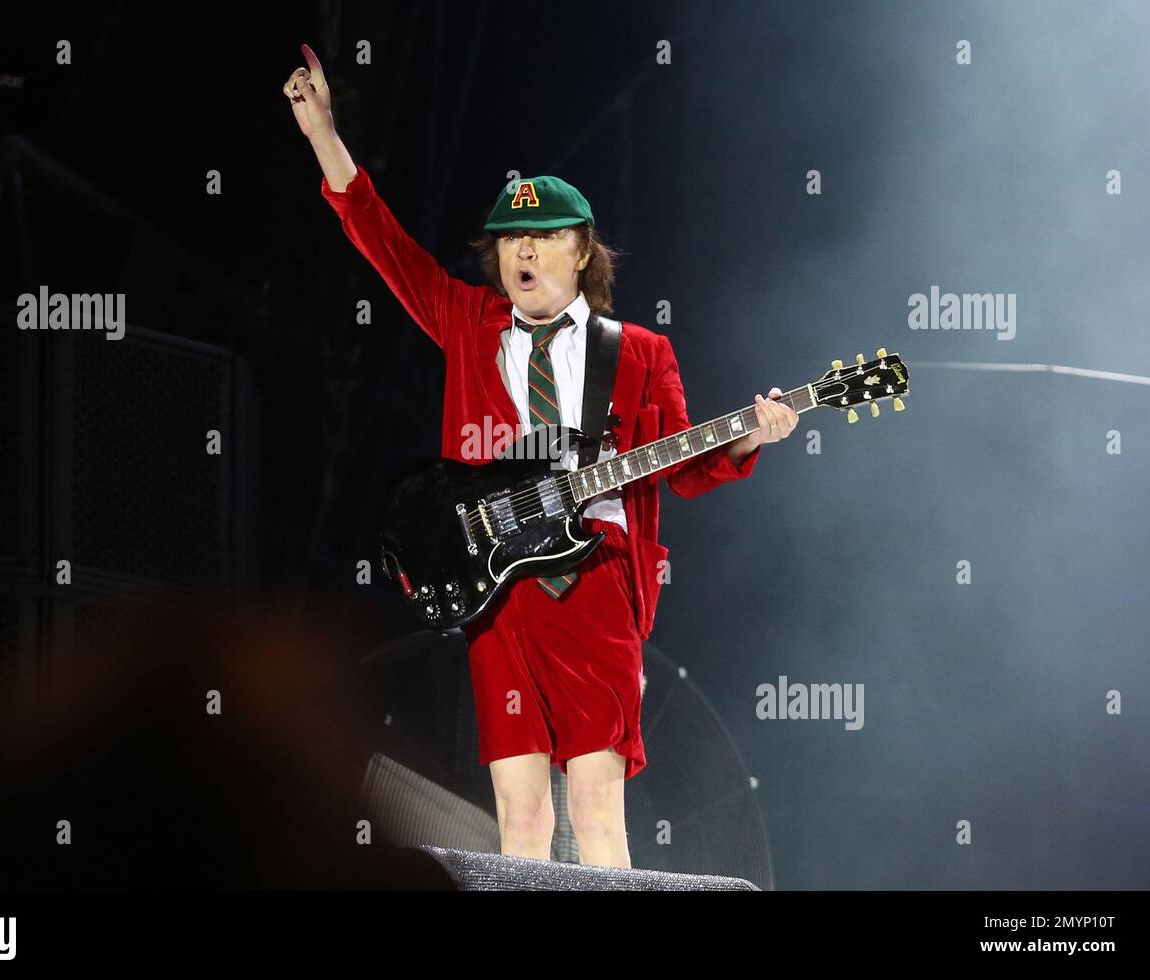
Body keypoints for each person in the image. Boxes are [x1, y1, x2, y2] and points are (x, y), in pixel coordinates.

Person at [284, 44, 798, 868]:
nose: (520, 251)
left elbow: (684, 463)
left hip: (597, 581)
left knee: (595, 808)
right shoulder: (467, 323)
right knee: (519, 819)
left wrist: (750, 433)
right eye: (509, 239)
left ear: (583, 250)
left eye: (542, 236)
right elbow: (384, 242)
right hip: (500, 591)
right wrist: (323, 135)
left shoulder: (637, 353)